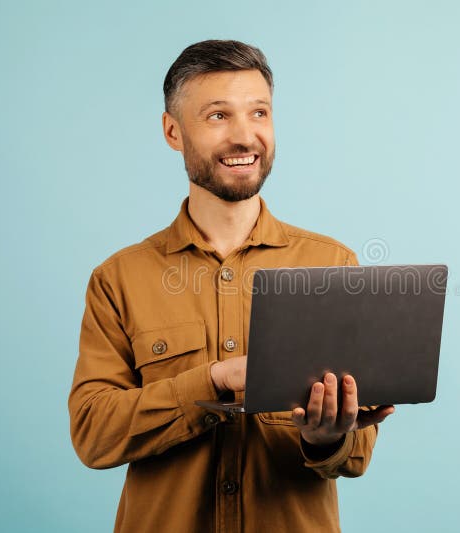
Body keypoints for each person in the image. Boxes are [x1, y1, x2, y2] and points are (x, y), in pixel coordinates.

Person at [68, 39, 394, 533]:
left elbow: (355, 457)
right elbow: (94, 435)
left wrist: (325, 438)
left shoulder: (332, 264)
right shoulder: (118, 278)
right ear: (173, 132)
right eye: (218, 116)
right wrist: (213, 381)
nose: (245, 136)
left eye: (259, 112)